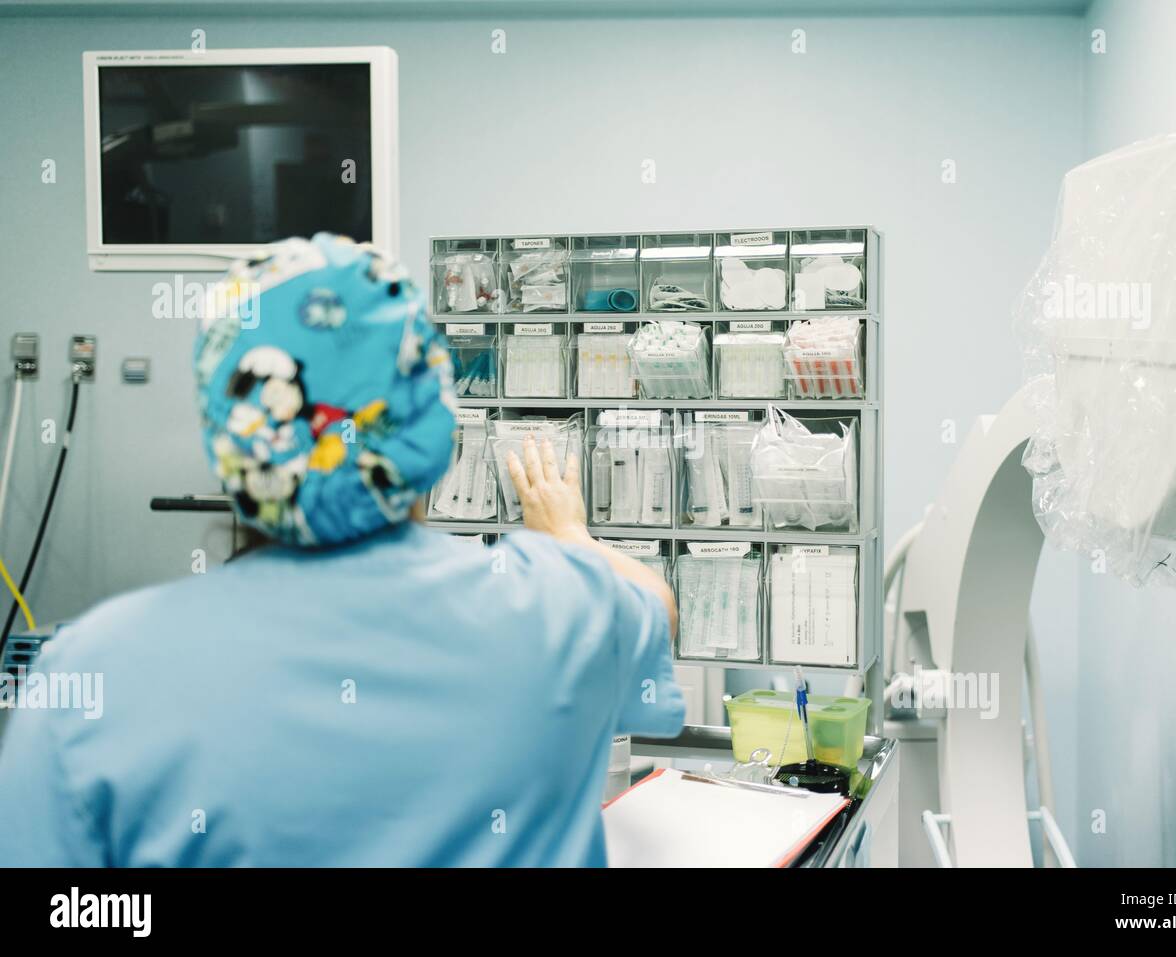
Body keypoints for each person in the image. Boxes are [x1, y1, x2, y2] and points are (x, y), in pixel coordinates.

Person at [0, 234, 684, 867]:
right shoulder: (560, 609)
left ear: (230, 441)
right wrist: (568, 534)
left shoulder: (90, 677)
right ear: (432, 422)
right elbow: (658, 609)